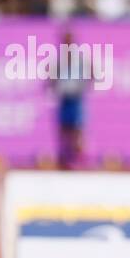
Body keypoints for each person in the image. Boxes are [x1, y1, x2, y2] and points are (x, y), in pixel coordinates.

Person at [50, 27, 86, 169]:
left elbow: (92, 75)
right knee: (64, 130)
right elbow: (51, 81)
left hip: (75, 99)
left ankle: (76, 158)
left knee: (76, 129)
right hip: (64, 99)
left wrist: (81, 85)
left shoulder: (81, 61)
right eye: (65, 42)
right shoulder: (59, 62)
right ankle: (65, 158)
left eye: (69, 42)